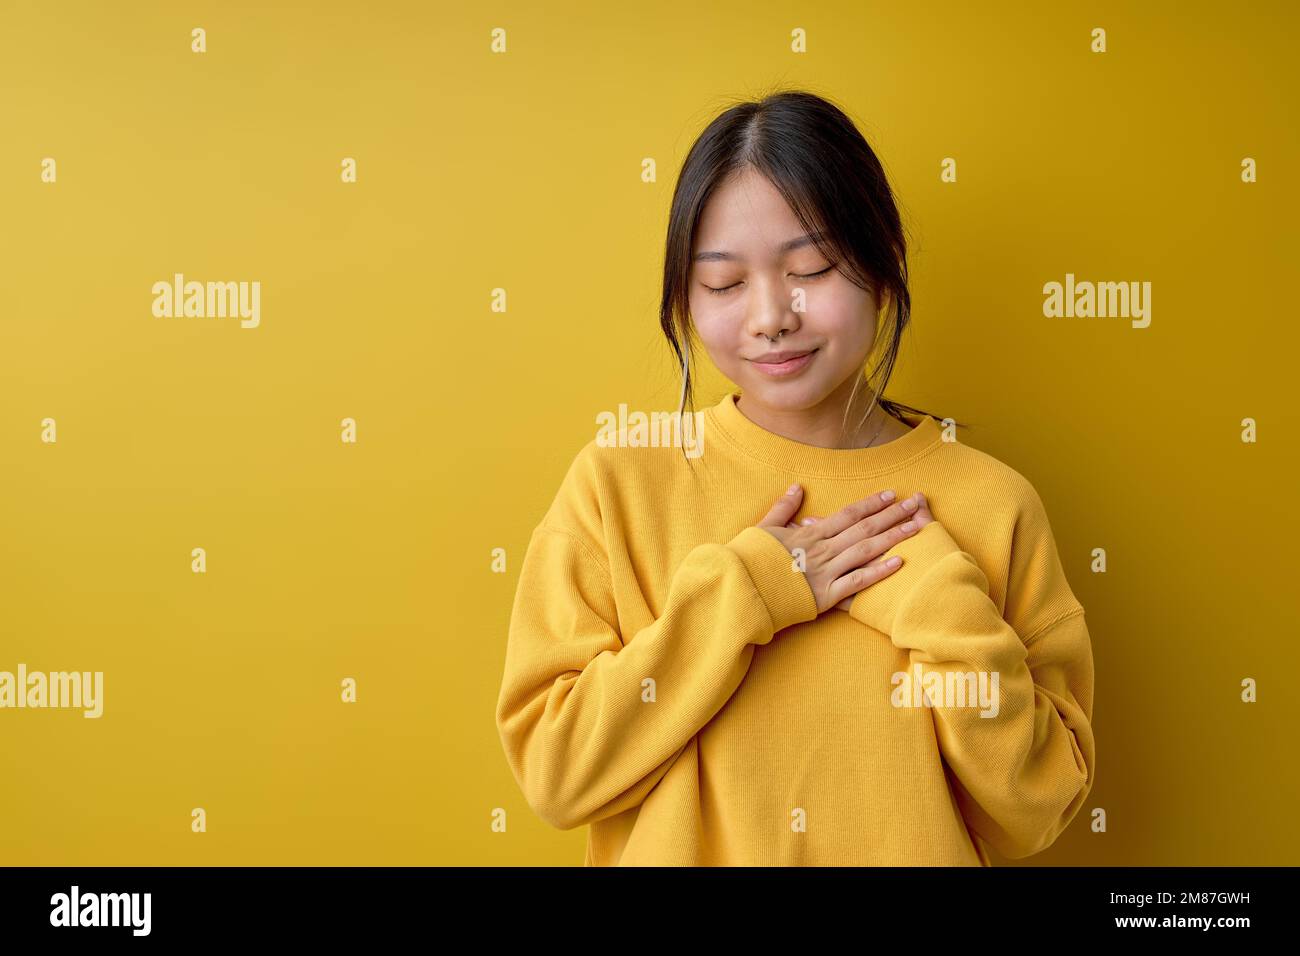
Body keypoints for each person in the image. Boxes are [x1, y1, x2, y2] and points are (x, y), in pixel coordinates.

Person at [494, 89, 1095, 866]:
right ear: (683, 297)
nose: (771, 314)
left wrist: (944, 612)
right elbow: (557, 773)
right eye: (724, 284)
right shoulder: (619, 482)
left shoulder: (995, 503)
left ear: (884, 265)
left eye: (811, 268)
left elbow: (1039, 806)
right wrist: (744, 594)